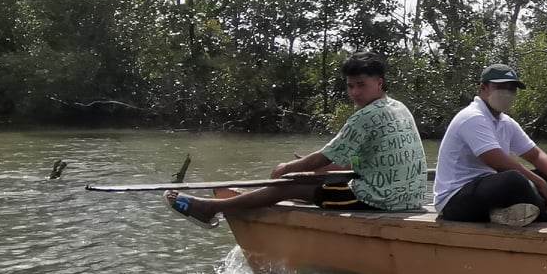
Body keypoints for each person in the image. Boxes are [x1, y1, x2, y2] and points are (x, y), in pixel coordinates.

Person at [165, 53, 428, 227]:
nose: (354, 92)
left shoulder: (367, 115)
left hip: (380, 200)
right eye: (350, 86)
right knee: (309, 180)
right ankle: (255, 199)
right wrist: (314, 168)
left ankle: (212, 208)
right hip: (407, 197)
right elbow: (359, 160)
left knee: (291, 184)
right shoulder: (397, 107)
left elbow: (327, 156)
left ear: (379, 83)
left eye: (361, 85)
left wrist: (288, 169)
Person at [435, 64, 547, 226]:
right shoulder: (472, 117)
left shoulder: (505, 122)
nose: (507, 93)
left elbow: (536, 154)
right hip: (454, 201)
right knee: (514, 179)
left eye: (511, 89)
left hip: (486, 191)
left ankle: (513, 212)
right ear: (483, 88)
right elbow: (497, 162)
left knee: (545, 175)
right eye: (501, 87)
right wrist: (538, 182)